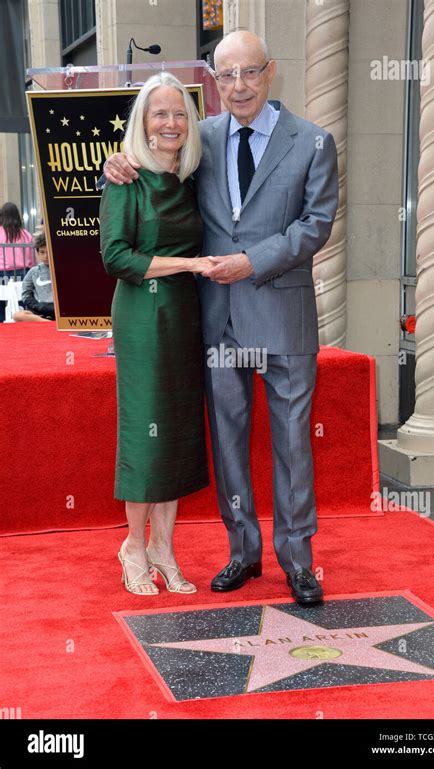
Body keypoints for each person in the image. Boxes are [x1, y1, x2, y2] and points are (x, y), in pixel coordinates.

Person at [103, 31, 339, 606]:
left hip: (281, 315)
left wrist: (251, 261)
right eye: (226, 75)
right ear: (213, 80)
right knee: (228, 443)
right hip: (216, 322)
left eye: (249, 73)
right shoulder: (196, 140)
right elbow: (150, 172)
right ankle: (243, 551)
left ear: (270, 71)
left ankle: (298, 559)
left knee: (291, 446)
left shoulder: (312, 142)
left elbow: (316, 226)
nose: (238, 86)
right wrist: (116, 163)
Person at [100, 73, 213, 596]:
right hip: (143, 319)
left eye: (179, 114)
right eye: (159, 114)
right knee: (145, 432)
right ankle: (132, 547)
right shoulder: (127, 179)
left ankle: (164, 547)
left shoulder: (191, 180)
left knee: (176, 433)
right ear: (142, 123)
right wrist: (184, 262)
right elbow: (115, 257)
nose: (170, 123)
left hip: (185, 314)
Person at [0, 202, 35, 322]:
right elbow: (31, 256)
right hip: (23, 273)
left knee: (2, 301)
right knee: (22, 300)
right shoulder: (25, 234)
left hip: (2, 273)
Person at [12, 229, 55, 322]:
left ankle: (48, 322)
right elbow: (26, 294)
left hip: (60, 311)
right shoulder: (33, 271)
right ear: (38, 253)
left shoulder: (63, 269)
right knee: (17, 315)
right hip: (40, 311)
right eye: (42, 252)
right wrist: (37, 306)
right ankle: (47, 323)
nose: (46, 256)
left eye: (49, 252)